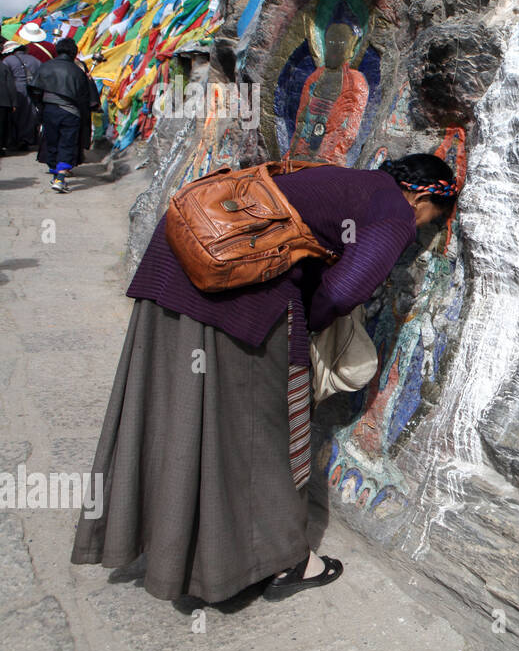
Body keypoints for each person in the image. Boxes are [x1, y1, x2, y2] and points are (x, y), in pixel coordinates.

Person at [70, 153, 460, 603]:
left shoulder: (334, 175)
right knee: (263, 428)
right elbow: (345, 289)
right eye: (429, 219)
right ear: (423, 197)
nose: (417, 230)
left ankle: (169, 542)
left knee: (174, 410)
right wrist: (309, 323)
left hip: (178, 262)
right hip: (236, 293)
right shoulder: (394, 210)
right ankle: (284, 561)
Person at [29, 37, 97, 192]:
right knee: (67, 142)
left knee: (52, 141)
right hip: (71, 112)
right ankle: (60, 178)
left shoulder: (45, 67)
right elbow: (85, 97)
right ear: (74, 53)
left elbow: (34, 89)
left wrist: (41, 106)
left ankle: (55, 174)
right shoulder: (78, 72)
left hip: (50, 111)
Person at [2, 38, 41, 151]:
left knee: (15, 116)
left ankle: (14, 140)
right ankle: (27, 139)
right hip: (32, 90)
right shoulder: (34, 60)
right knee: (29, 115)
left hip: (15, 90)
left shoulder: (8, 60)